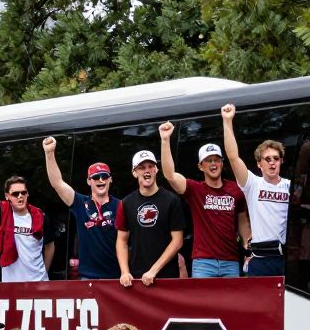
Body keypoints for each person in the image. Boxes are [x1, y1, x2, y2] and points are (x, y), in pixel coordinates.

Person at [158, 122, 250, 278]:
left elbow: (243, 223)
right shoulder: (195, 189)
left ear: (222, 163)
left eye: (216, 159)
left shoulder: (236, 189)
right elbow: (170, 175)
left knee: (229, 303)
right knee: (203, 303)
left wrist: (249, 250)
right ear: (201, 166)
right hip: (203, 263)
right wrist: (165, 140)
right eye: (208, 160)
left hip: (231, 261)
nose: (213, 164)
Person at [0, 146, 57, 282]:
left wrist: (44, 272)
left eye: (23, 193)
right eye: (15, 194)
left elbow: (50, 245)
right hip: (11, 284)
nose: (20, 196)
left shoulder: (39, 216)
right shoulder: (2, 212)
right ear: (7, 196)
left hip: (39, 282)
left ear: (28, 194)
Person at [221, 103, 291, 276]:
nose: (272, 162)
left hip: (285, 258)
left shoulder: (290, 185)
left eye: (276, 158)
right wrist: (227, 121)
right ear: (259, 164)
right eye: (267, 159)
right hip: (260, 259)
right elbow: (232, 157)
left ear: (281, 161)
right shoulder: (253, 184)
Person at [42, 136, 120, 279]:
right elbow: (57, 183)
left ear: (110, 179)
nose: (101, 180)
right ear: (88, 181)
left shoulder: (121, 205)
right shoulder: (80, 202)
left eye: (104, 176)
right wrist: (49, 153)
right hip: (87, 277)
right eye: (96, 177)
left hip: (115, 277)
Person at [115, 149, 184, 287]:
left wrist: (154, 270)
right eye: (141, 167)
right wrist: (124, 272)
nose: (147, 171)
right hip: (136, 279)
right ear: (134, 173)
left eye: (151, 166)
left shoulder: (172, 200)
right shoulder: (126, 203)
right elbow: (122, 240)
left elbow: (178, 241)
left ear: (156, 170)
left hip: (167, 276)